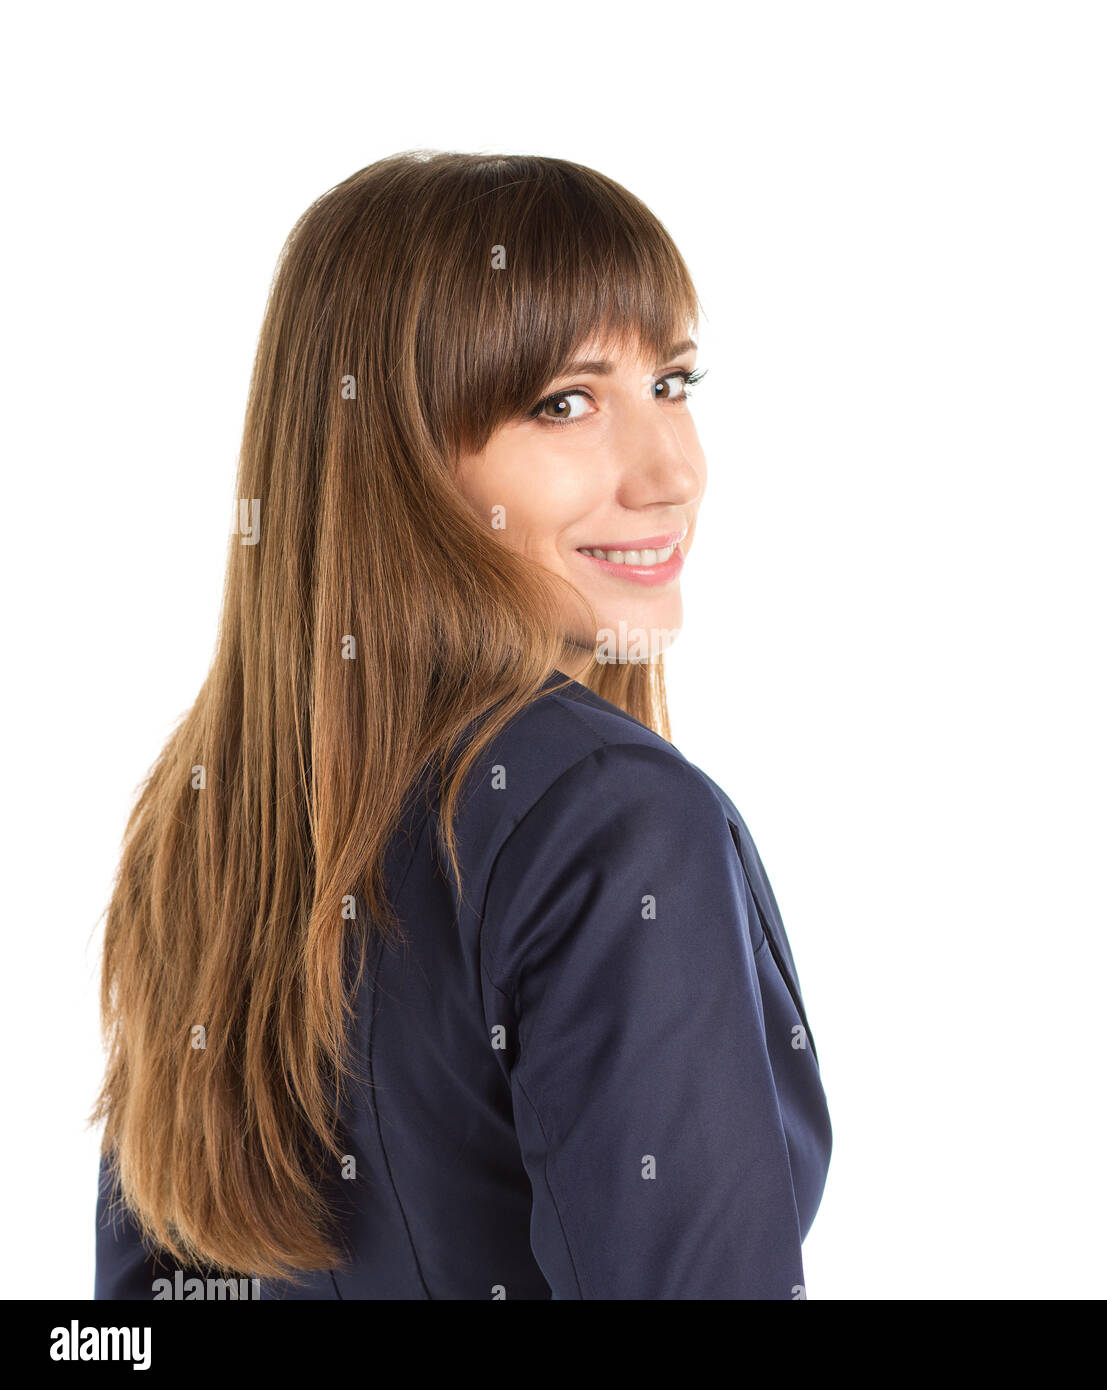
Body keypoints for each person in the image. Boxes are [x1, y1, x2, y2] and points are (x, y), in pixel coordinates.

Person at [92, 151, 832, 1300]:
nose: (670, 469)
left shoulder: (206, 821)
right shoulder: (613, 820)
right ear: (399, 468)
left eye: (673, 384)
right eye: (565, 402)